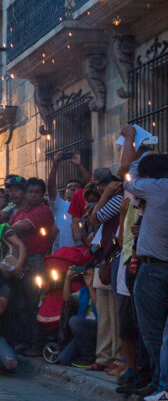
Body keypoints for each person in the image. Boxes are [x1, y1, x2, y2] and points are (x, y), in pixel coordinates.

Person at [123, 129, 168, 401]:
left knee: (152, 332)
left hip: (154, 269)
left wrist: (143, 154)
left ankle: (161, 382)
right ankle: (158, 381)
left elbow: (128, 178)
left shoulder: (155, 187)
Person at [9, 176, 54, 356]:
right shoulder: (21, 210)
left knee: (35, 302)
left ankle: (36, 344)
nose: (34, 195)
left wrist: (9, 227)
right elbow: (10, 226)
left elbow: (19, 227)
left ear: (42, 195)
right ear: (25, 194)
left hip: (36, 260)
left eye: (37, 192)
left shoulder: (43, 210)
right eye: (30, 192)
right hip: (21, 259)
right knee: (22, 303)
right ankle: (25, 341)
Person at [86, 169, 123, 371]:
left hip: (114, 256)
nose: (99, 189)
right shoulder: (112, 199)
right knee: (106, 312)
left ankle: (116, 357)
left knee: (115, 313)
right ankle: (104, 355)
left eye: (101, 185)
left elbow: (95, 218)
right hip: (104, 256)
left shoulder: (116, 199)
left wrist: (107, 194)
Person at [48, 150, 90, 251]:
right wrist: (55, 165)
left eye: (76, 187)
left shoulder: (85, 204)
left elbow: (90, 186)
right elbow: (51, 187)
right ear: (65, 192)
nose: (72, 188)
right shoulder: (59, 204)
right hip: (60, 253)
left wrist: (79, 165)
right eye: (69, 187)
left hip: (80, 252)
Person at [58, 264, 98, 367]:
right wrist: (67, 280)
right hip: (83, 330)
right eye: (85, 274)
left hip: (97, 327)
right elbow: (67, 299)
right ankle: (87, 353)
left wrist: (90, 286)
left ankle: (89, 356)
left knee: (74, 321)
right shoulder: (83, 290)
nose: (87, 277)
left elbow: (99, 307)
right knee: (63, 359)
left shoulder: (100, 290)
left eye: (90, 275)